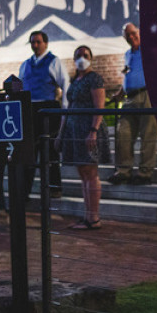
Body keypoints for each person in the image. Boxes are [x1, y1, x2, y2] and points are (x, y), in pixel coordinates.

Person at [61, 45, 109, 230]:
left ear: (91, 58)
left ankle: (93, 218)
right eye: (78, 55)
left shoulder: (94, 79)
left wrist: (93, 131)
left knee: (91, 173)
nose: (82, 58)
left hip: (88, 130)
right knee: (83, 174)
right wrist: (61, 133)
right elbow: (69, 107)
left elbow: (99, 106)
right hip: (74, 131)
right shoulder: (75, 80)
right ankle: (87, 215)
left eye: (85, 55)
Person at [19, 30, 68, 197]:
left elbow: (65, 86)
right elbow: (20, 88)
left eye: (38, 42)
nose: (35, 45)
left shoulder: (54, 61)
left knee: (50, 150)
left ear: (45, 43)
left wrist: (65, 111)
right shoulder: (25, 64)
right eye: (32, 42)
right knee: (28, 151)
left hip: (49, 109)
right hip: (30, 109)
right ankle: (24, 191)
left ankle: (54, 188)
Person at [109, 22, 157, 185]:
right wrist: (120, 93)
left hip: (147, 95)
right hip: (129, 98)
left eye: (133, 33)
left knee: (148, 135)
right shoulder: (128, 54)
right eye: (127, 35)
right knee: (123, 133)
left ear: (139, 32)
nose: (131, 37)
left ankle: (145, 172)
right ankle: (123, 170)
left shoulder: (150, 49)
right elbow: (129, 75)